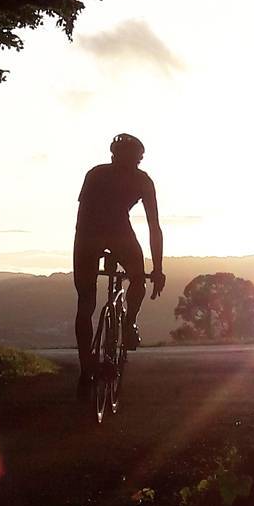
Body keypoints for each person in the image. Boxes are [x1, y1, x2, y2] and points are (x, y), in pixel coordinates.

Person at [73, 133, 165, 398]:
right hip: (115, 232)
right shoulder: (141, 180)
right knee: (137, 277)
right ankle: (129, 324)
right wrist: (157, 269)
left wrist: (88, 248)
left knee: (85, 303)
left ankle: (85, 369)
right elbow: (153, 227)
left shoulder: (96, 174)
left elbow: (84, 213)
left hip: (88, 234)